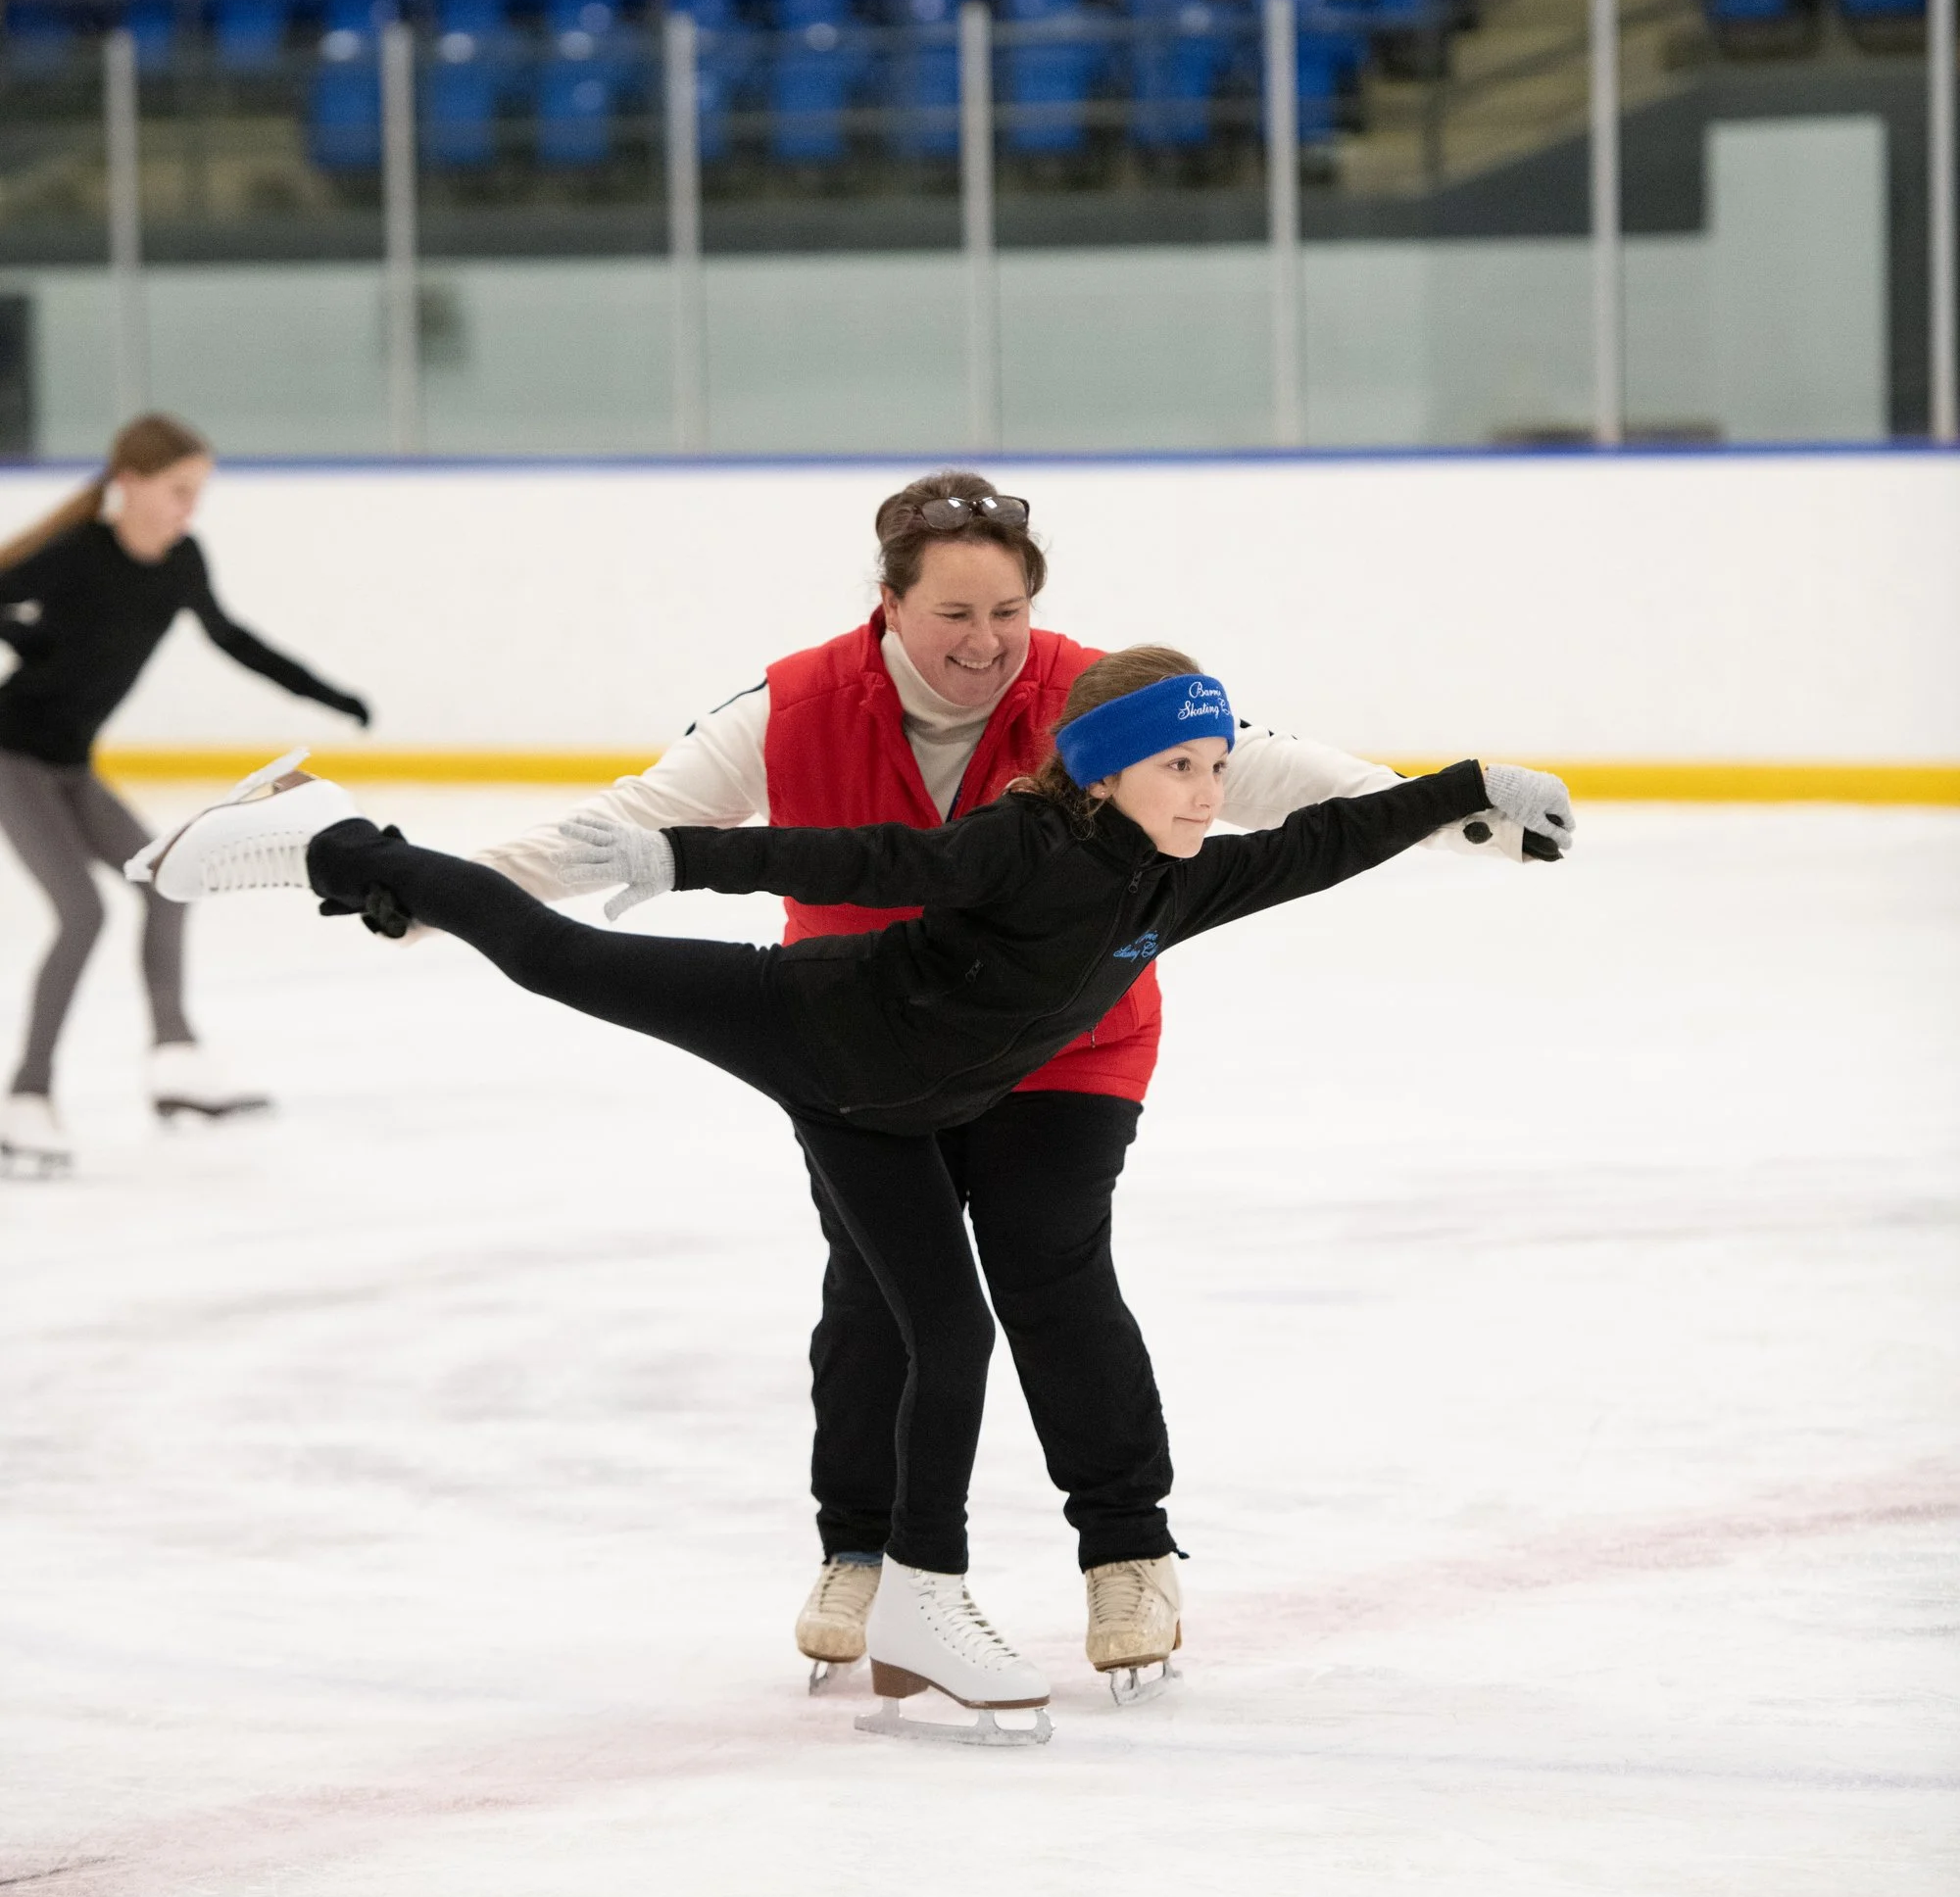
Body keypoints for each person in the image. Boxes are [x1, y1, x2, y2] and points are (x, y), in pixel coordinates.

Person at [132, 659, 1574, 1743]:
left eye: (1212, 766)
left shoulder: (1172, 881)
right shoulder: (1032, 846)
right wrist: (681, 857)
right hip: (814, 1033)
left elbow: (1321, 845)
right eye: (1182, 768)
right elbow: (867, 859)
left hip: (901, 1117)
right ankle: (333, 839)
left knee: (950, 1340)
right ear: (1109, 771)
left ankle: (916, 1596)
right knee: (547, 954)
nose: (1209, 792)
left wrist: (1465, 789)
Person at [469, 471, 1557, 1700]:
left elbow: (1283, 783)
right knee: (878, 1296)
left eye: (1008, 615)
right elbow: (646, 822)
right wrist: (435, 897)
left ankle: (1127, 1554)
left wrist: (1471, 814)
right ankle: (860, 1554)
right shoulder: (793, 704)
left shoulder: (1093, 696)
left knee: (1048, 1267)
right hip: (870, 1045)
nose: (985, 645)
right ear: (886, 605)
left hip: (1069, 1046)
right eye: (952, 617)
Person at [0, 413, 370, 1173]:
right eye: (177, 491)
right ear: (129, 484)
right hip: (10, 756)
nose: (188, 509)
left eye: (196, 493)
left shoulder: (179, 561)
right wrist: (35, 644)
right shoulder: (79, 554)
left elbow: (232, 638)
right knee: (82, 913)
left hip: (71, 763)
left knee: (168, 881)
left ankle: (176, 1062)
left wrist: (327, 695)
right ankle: (25, 1100)